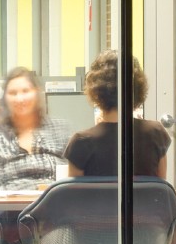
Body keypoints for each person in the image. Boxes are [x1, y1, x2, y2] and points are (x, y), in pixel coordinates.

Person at [63, 51, 170, 181]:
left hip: (99, 202)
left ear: (95, 90)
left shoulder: (81, 142)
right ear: (137, 88)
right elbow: (161, 187)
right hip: (143, 202)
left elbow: (74, 197)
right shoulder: (156, 132)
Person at [0, 66, 69, 187]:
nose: (20, 99)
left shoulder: (59, 130)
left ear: (37, 92)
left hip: (55, 203)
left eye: (25, 91)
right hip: (8, 205)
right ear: (4, 98)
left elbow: (70, 180)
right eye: (13, 93)